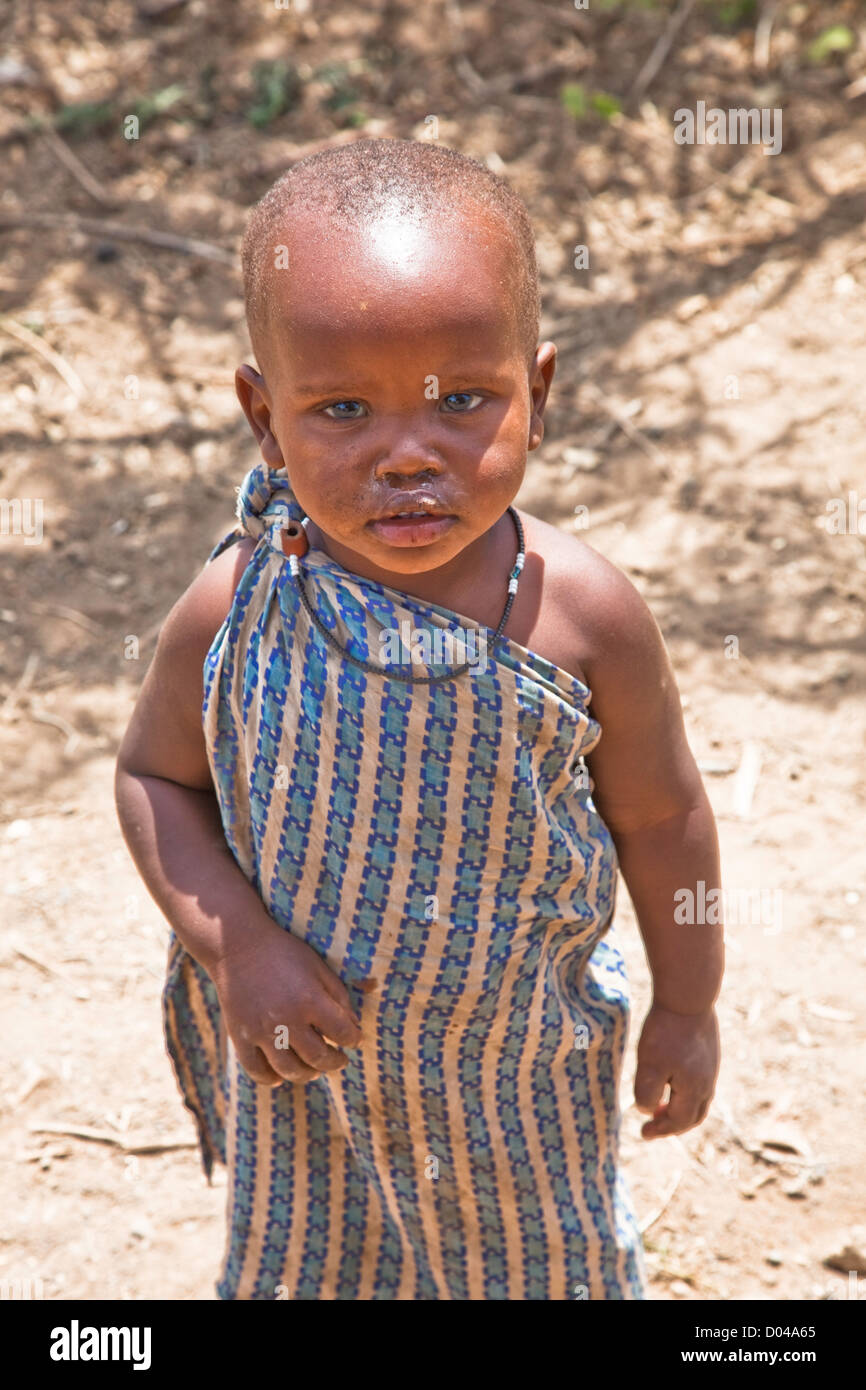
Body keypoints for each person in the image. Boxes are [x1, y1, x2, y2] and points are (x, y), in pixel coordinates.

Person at [114, 137, 723, 1301]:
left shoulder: (577, 617)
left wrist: (686, 1006)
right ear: (261, 415)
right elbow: (155, 780)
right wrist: (236, 943)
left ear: (534, 394)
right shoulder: (242, 599)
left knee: (539, 1274)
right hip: (302, 1067)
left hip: (514, 1072)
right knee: (318, 1272)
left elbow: (665, 816)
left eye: (463, 400)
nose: (406, 455)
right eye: (341, 408)